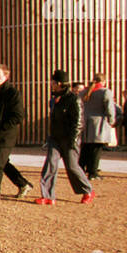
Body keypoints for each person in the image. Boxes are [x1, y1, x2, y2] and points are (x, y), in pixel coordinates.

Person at [36, 69, 94, 205]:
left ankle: (88, 191)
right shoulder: (55, 99)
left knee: (72, 167)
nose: (51, 84)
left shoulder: (74, 99)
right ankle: (48, 196)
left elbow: (78, 123)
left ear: (60, 83)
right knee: (50, 164)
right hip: (55, 139)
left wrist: (73, 141)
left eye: (53, 82)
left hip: (69, 140)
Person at [0, 63, 32, 201]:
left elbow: (18, 115)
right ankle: (23, 184)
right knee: (3, 163)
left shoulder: (13, 93)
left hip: (6, 134)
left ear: (6, 76)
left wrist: (3, 127)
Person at [81, 72, 117, 180]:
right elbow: (110, 108)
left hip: (85, 122)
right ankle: (93, 172)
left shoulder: (84, 92)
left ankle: (81, 169)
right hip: (99, 122)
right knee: (96, 149)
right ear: (104, 81)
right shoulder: (105, 92)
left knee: (86, 148)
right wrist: (111, 120)